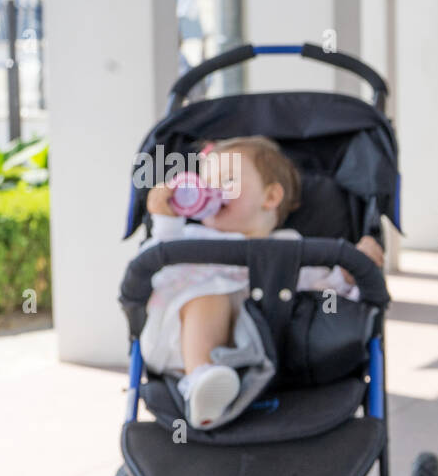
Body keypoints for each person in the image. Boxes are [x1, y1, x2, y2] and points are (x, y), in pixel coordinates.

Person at [141, 135, 383, 427]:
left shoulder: (293, 249)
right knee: (212, 294)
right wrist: (166, 220)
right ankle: (199, 383)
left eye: (227, 180)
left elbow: (324, 293)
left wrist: (351, 270)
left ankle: (215, 389)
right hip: (177, 343)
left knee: (298, 303)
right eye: (206, 183)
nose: (212, 190)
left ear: (270, 197)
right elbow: (156, 269)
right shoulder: (192, 239)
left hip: (264, 353)